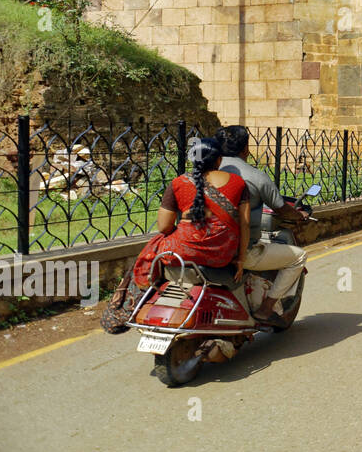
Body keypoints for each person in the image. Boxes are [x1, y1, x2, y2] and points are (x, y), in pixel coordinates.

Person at [132, 138, 250, 294]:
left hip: (179, 253)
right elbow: (245, 225)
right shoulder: (238, 183)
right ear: (219, 159)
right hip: (221, 255)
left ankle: (136, 300)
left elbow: (164, 227)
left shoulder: (178, 183)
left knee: (152, 248)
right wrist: (241, 259)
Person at [215, 125, 308, 321]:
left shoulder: (200, 176)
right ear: (246, 149)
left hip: (201, 247)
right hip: (239, 252)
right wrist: (299, 216)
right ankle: (267, 307)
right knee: (298, 257)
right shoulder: (254, 177)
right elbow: (280, 209)